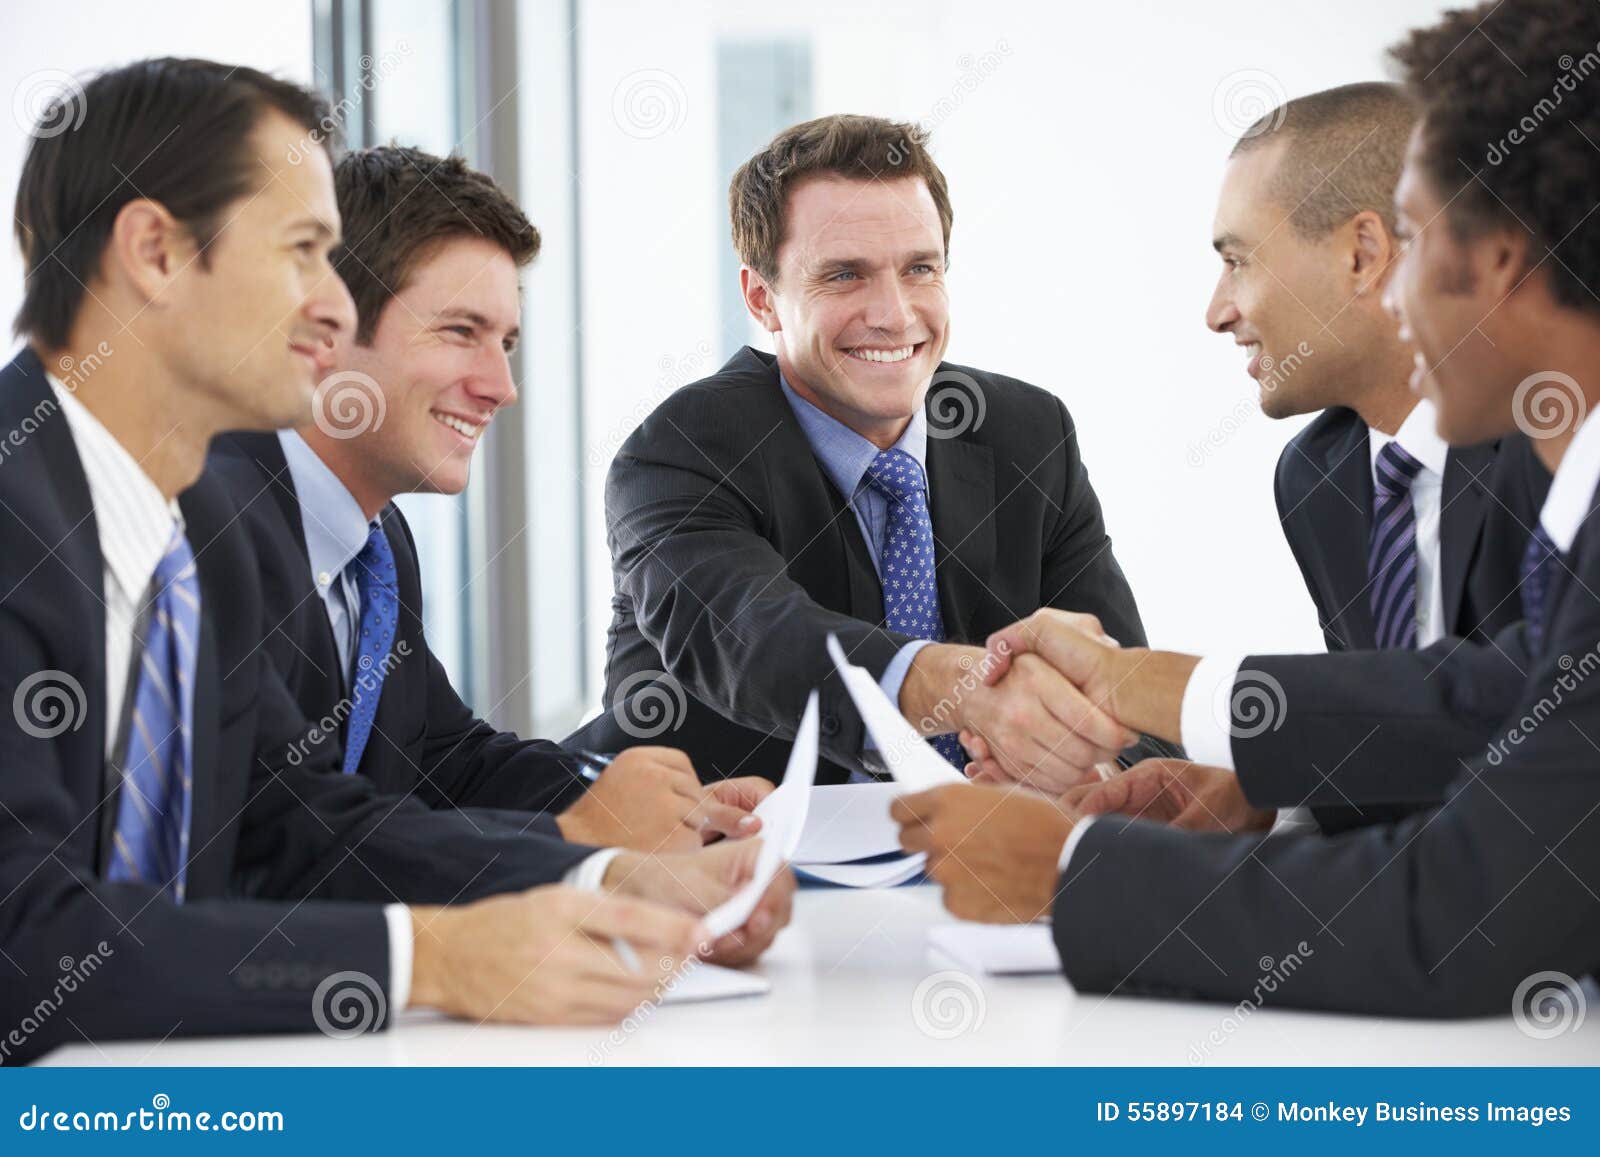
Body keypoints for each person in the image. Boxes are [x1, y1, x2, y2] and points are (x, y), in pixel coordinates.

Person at [0, 58, 787, 1066]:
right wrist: (430, 954)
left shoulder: (201, 536)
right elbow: (26, 938)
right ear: (154, 251)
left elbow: (285, 822)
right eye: (301, 254)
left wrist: (604, 878)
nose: (333, 311)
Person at [894, 0, 1600, 1015]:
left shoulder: (1559, 479)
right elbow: (1483, 713)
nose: (1396, 292)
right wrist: (1267, 780)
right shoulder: (1339, 476)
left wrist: (1072, 869)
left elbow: (1464, 907)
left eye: (1414, 236)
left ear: (1488, 260)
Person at [966, 82, 1550, 833]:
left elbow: (1512, 726)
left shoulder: (1552, 444)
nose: (1217, 312)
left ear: (1363, 254)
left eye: (1238, 260)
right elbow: (1404, 747)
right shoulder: (1320, 476)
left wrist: (1137, 685)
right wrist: (1266, 797)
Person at [572, 113, 1176, 790]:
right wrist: (969, 687)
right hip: (726, 862)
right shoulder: (681, 448)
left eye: (920, 268)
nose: (893, 313)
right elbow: (764, 641)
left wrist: (1089, 768)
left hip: (980, 866)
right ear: (762, 298)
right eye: (844, 276)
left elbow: (1130, 694)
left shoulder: (1030, 432)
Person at [210, 145, 771, 854]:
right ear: (327, 325)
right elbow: (276, 846)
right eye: (460, 331)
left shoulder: (376, 543)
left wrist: (665, 806)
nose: (501, 385)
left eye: (505, 341)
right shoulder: (214, 525)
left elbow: (447, 761)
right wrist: (570, 842)